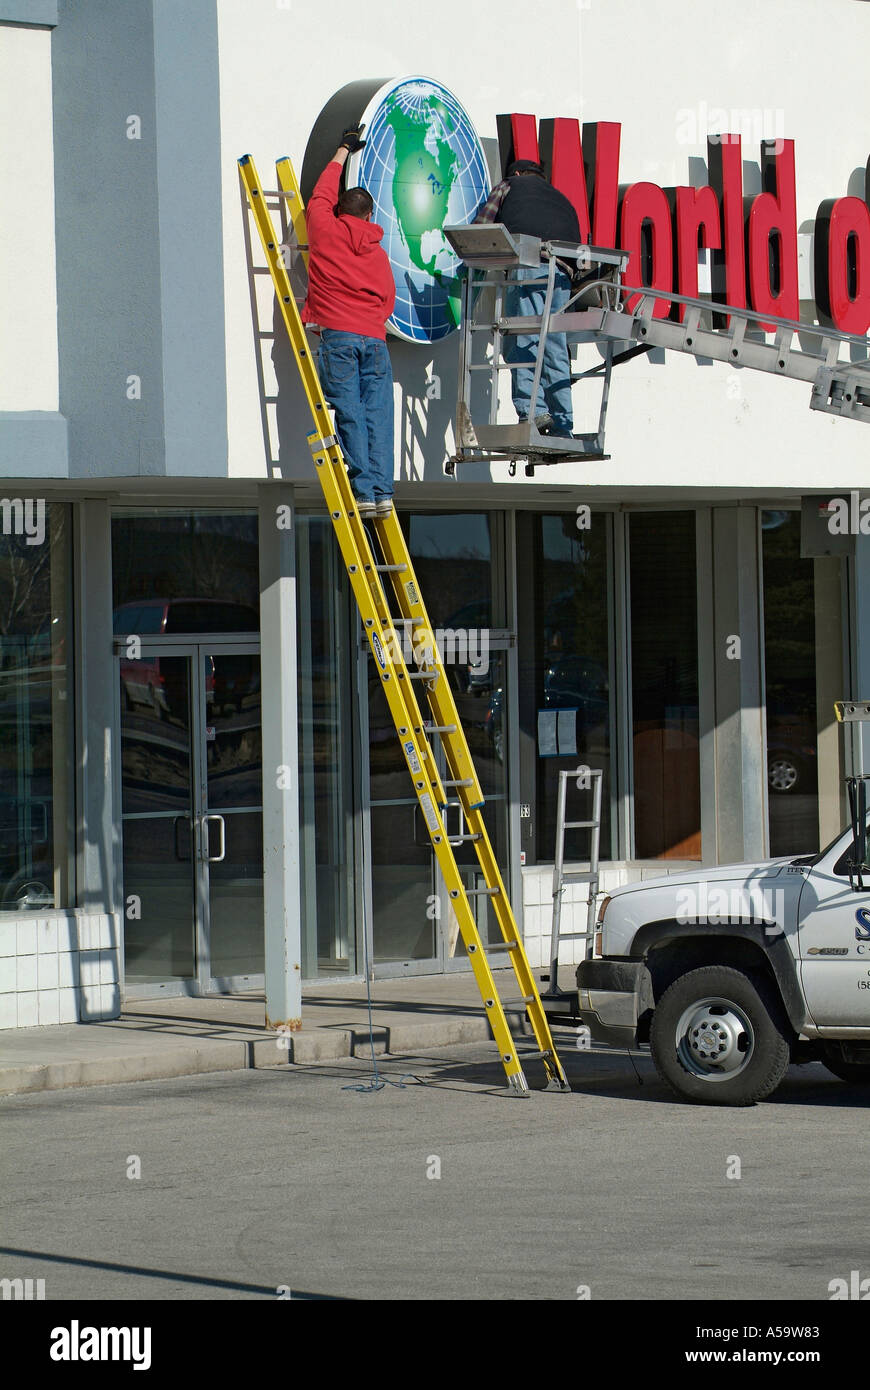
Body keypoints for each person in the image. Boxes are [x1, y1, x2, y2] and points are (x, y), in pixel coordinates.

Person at [302, 128, 397, 517]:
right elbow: (389, 302)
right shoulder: (378, 255)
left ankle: (363, 492)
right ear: (370, 215)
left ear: (340, 211)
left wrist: (342, 150)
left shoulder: (324, 229)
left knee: (350, 412)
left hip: (338, 338)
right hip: (375, 342)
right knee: (378, 415)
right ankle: (382, 491)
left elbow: (320, 193)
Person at [475, 159, 581, 438]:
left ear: (519, 173)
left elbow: (482, 226)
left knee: (523, 338)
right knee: (555, 344)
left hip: (530, 266)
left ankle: (532, 411)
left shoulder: (511, 185)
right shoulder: (560, 198)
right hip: (562, 273)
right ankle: (563, 421)